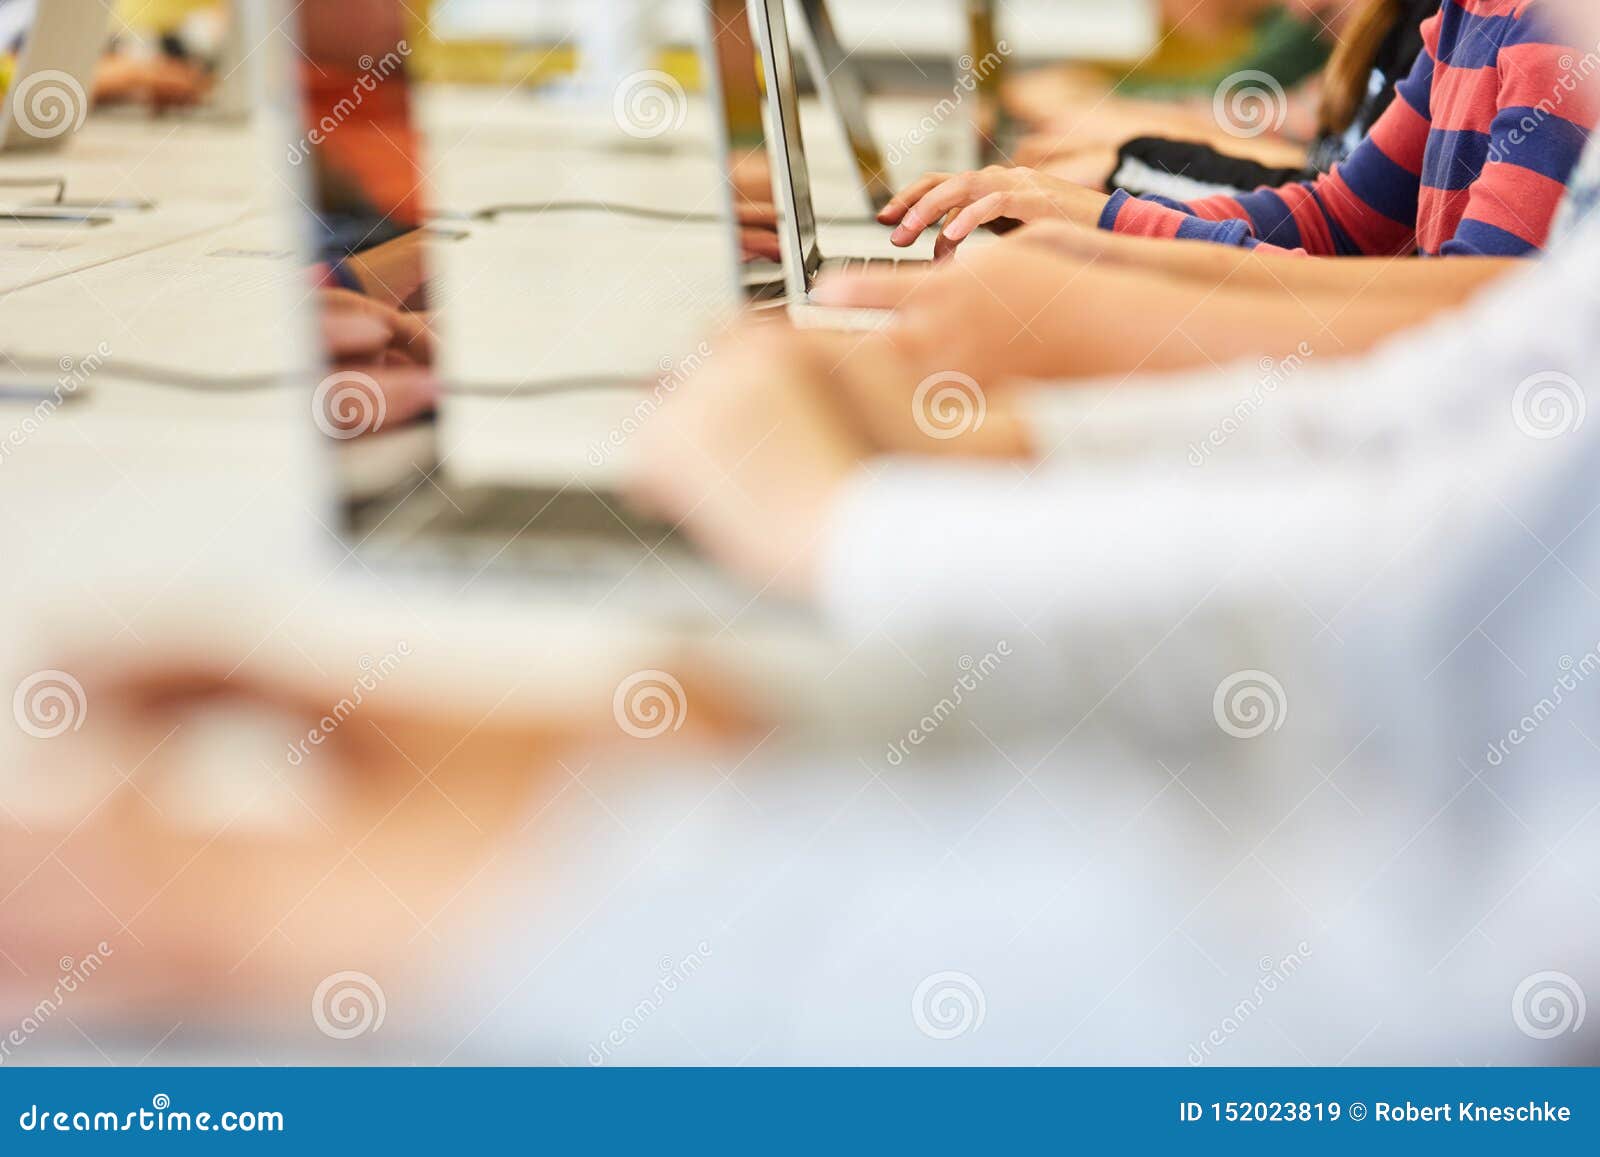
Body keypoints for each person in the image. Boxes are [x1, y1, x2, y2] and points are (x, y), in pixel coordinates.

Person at [885, 0, 1596, 259]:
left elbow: (1477, 306)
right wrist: (1104, 220)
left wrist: (1119, 204)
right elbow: (1342, 219)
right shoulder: (1464, 14)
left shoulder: (1556, 33)